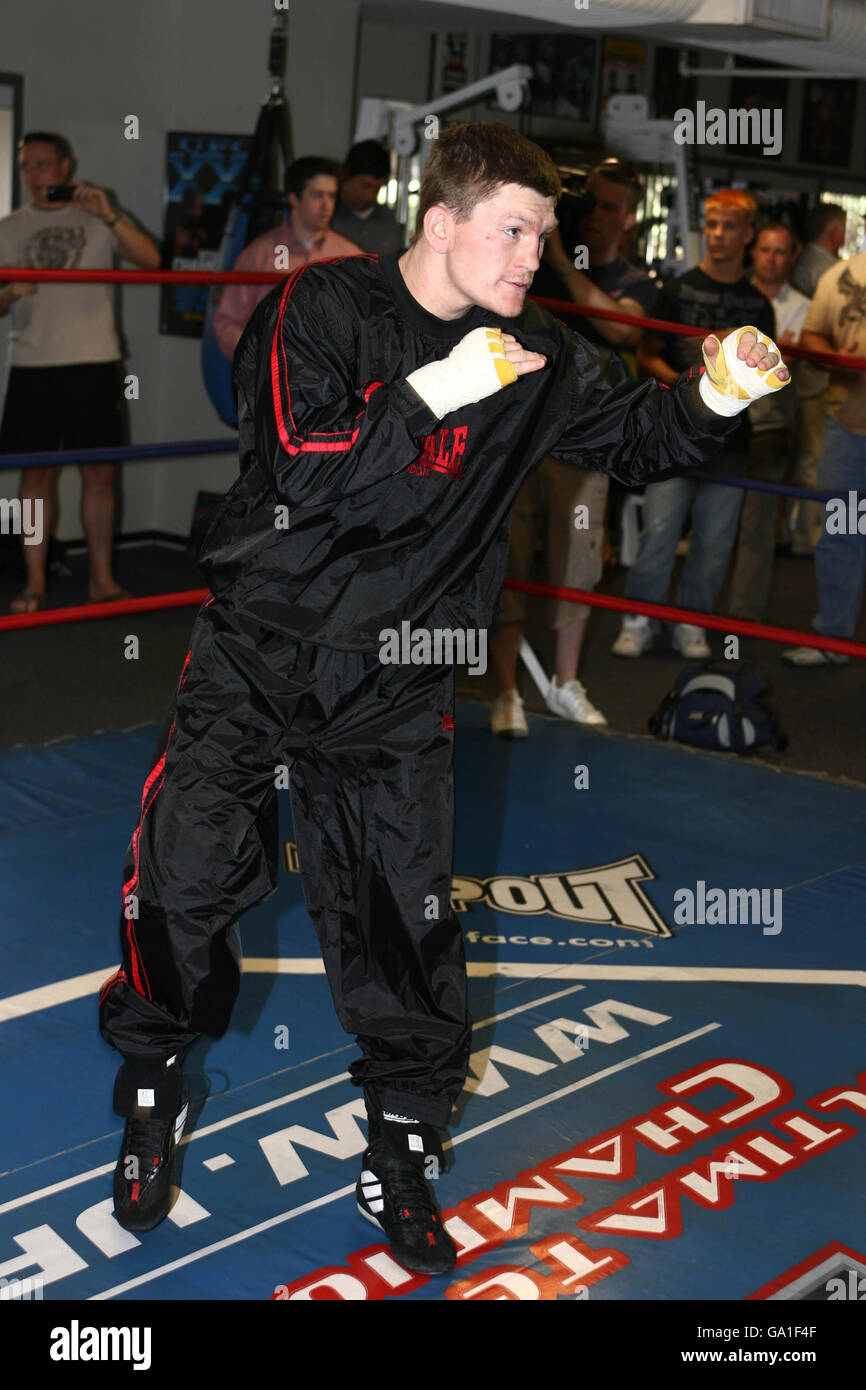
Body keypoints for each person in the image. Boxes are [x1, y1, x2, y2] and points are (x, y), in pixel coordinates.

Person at [98, 123, 788, 1276]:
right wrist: (434, 389)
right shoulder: (324, 306)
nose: (532, 256)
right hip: (259, 650)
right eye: (512, 230)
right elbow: (298, 461)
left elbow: (634, 437)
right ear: (442, 222)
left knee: (404, 928)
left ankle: (401, 1148)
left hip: (400, 673)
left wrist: (716, 394)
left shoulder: (539, 353)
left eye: (543, 233)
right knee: (180, 883)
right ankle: (156, 1088)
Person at [489, 158, 657, 735]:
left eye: (608, 207)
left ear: (629, 220)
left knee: (578, 562)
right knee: (508, 556)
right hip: (517, 430)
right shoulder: (530, 258)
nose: (593, 215)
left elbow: (623, 331)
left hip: (586, 441)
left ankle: (564, 683)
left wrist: (563, 260)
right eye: (588, 201)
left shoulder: (635, 281)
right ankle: (507, 691)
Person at [612, 189, 776, 659]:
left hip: (731, 441)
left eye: (728, 226)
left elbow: (764, 376)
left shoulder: (757, 306)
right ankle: (640, 618)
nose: (718, 234)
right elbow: (647, 356)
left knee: (716, 538)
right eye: (711, 223)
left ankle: (691, 623)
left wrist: (724, 395)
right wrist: (691, 392)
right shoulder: (677, 291)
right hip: (674, 433)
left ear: (747, 234)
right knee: (660, 529)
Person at [0, 131, 160, 612]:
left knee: (99, 476)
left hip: (94, 364)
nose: (34, 175)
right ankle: (34, 583)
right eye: (27, 166)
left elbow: (152, 261)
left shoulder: (98, 217)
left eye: (43, 165)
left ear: (65, 168)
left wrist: (108, 212)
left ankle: (103, 582)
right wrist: (9, 294)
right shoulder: (8, 228)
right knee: (33, 480)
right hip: (33, 365)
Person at [784, 239, 866, 667]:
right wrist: (835, 358)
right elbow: (813, 334)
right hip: (849, 430)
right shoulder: (842, 276)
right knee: (842, 534)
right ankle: (834, 636)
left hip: (846, 430)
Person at [726, 223, 809, 621]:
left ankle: (742, 618)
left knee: (757, 525)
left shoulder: (806, 307)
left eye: (780, 251)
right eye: (764, 250)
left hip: (771, 428)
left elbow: (809, 377)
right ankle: (692, 618)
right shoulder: (734, 296)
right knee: (716, 520)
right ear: (753, 252)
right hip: (725, 423)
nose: (771, 258)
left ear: (792, 257)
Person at [212, 156, 360, 362]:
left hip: (331, 384)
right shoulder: (259, 254)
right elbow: (227, 322)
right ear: (294, 198)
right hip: (272, 379)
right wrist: (261, 359)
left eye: (331, 196)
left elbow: (367, 326)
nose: (326, 205)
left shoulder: (351, 256)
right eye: (317, 195)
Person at [786, 203, 847, 556]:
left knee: (791, 457)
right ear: (835, 233)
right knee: (812, 458)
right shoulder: (835, 272)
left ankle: (782, 532)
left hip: (788, 375)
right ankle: (807, 538)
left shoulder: (798, 262)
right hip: (814, 377)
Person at [330, 140, 403, 256]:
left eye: (377, 188)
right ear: (345, 175)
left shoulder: (389, 221)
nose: (370, 196)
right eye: (365, 186)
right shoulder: (326, 216)